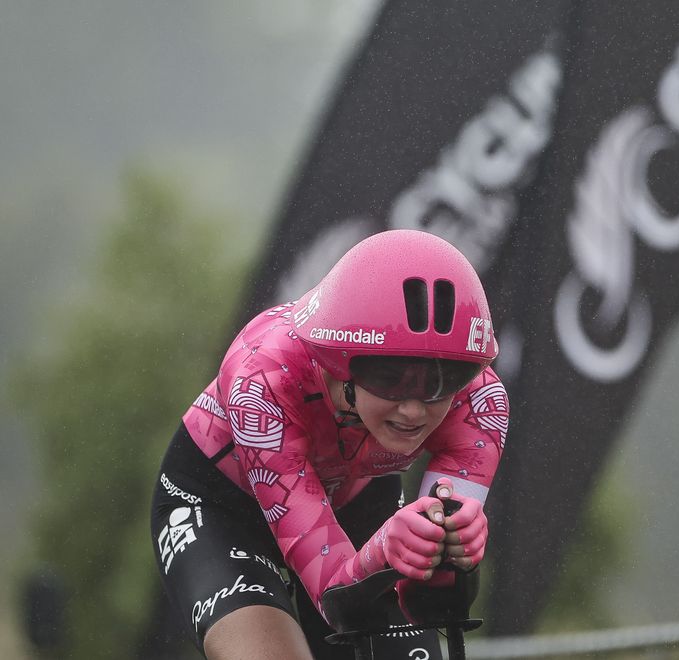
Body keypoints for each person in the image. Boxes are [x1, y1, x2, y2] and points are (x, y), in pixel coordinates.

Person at [150, 230, 508, 659]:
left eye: (442, 380)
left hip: (354, 497)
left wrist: (452, 553)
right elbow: (337, 596)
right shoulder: (262, 381)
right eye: (389, 377)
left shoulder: (479, 402)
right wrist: (386, 553)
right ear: (339, 363)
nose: (414, 410)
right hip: (223, 508)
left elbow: (432, 601)